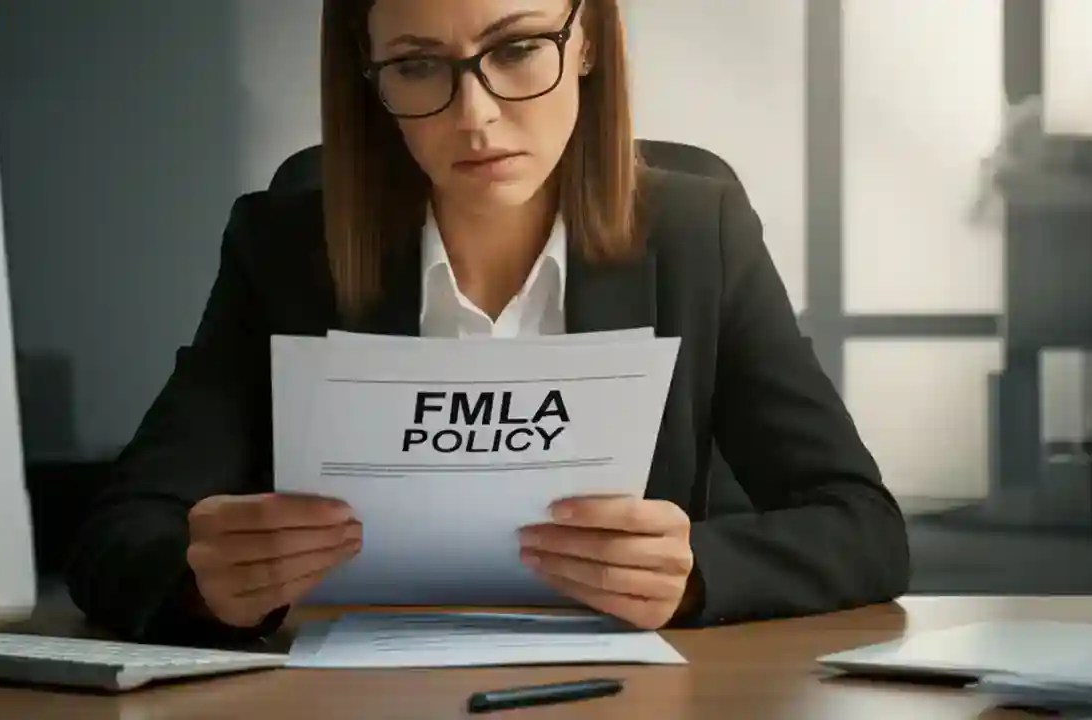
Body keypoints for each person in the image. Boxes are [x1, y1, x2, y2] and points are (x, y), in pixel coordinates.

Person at [66, 0, 910, 644]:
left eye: (515, 49)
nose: (474, 116)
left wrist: (694, 576)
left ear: (586, 40)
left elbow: (864, 529)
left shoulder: (699, 236)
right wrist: (203, 585)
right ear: (367, 77)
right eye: (417, 65)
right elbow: (117, 536)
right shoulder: (284, 247)